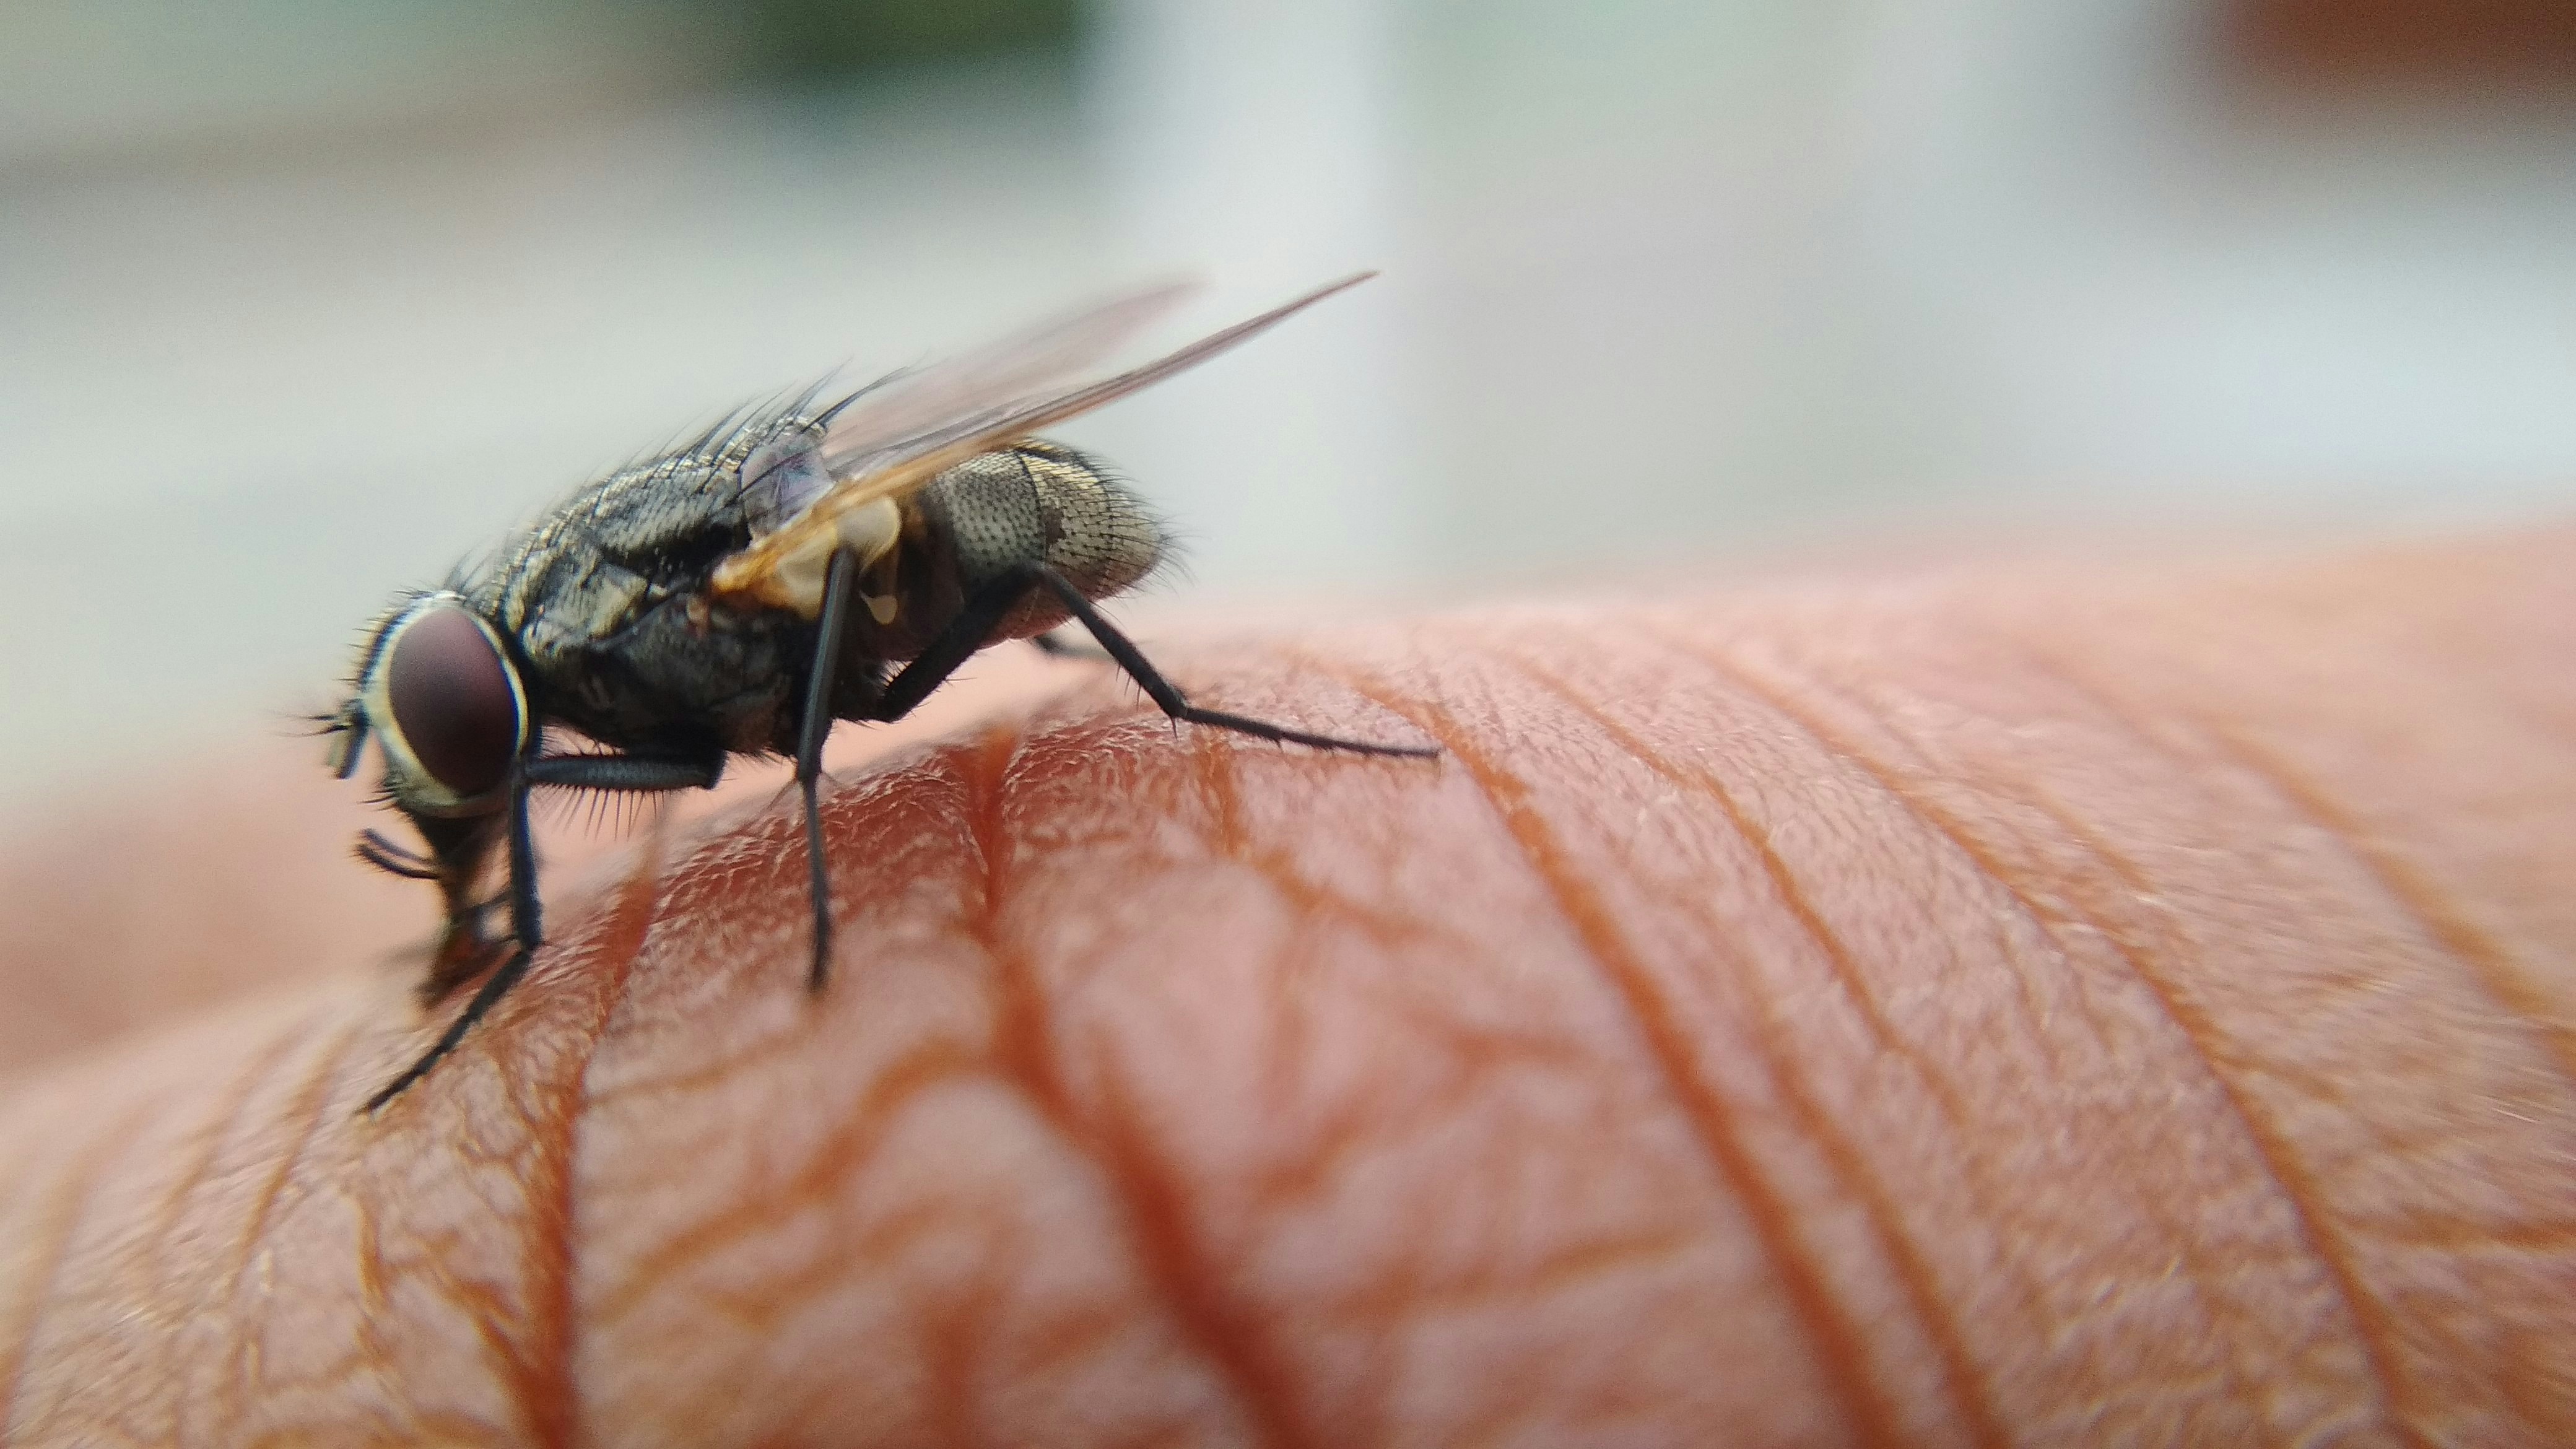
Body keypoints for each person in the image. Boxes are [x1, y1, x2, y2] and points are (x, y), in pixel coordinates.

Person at [0, 527, 2569, 1445]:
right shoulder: (550, 700)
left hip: (930, 576)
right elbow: (546, 789)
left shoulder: (635, 639)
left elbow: (883, 588)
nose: (459, 758)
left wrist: (793, 888)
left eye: (449, 729)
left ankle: (1206, 721)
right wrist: (475, 905)